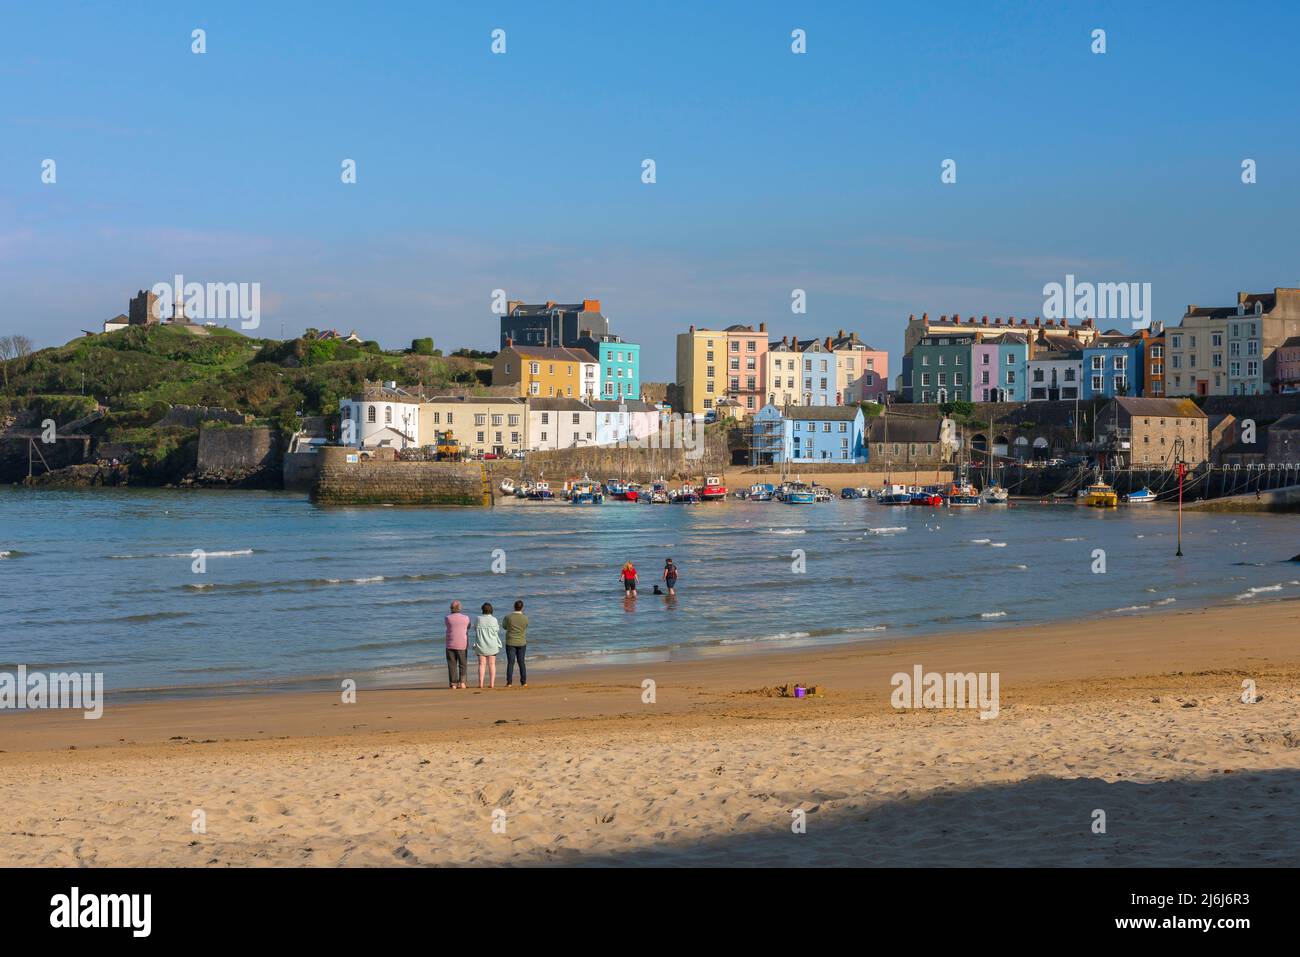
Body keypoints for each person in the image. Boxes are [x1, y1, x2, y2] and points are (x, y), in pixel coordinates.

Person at [474, 602, 501, 689]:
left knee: (482, 664)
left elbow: (474, 628)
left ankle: (481, 684)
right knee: (492, 664)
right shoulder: (494, 619)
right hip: (492, 644)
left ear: (482, 610)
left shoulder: (478, 619)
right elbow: (497, 630)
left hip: (481, 644)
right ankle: (492, 684)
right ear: (491, 610)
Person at [444, 600, 470, 689]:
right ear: (459, 608)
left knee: (452, 664)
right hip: (462, 644)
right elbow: (468, 627)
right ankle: (462, 682)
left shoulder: (447, 618)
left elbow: (448, 626)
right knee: (463, 664)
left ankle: (453, 683)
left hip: (450, 644)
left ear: (451, 608)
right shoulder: (466, 618)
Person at [503, 599, 529, 687]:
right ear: (522, 608)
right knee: (521, 662)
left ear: (514, 607)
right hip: (521, 642)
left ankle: (509, 682)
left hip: (510, 642)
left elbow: (504, 627)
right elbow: (525, 627)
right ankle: (524, 682)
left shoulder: (508, 617)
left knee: (510, 662)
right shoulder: (525, 618)